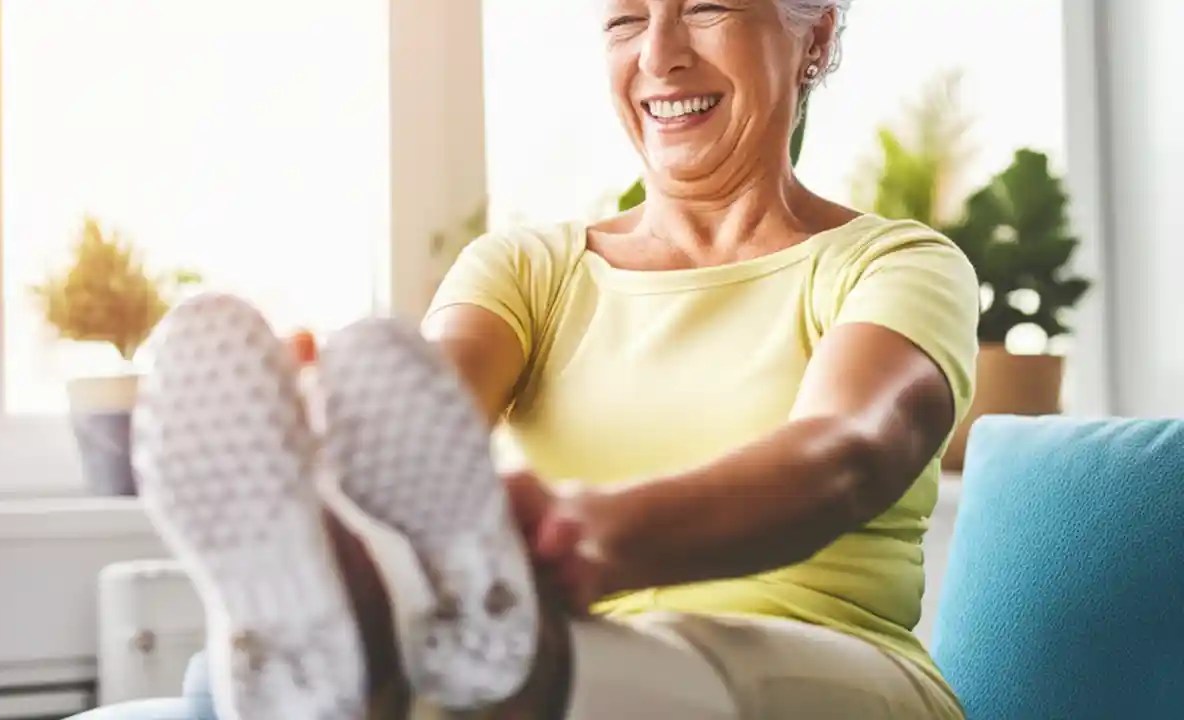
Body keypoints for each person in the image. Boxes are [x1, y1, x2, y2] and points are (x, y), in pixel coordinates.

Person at [72, 0, 978, 717]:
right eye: (624, 19)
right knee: (494, 672)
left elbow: (846, 453)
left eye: (706, 8)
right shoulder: (527, 268)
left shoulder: (892, 264)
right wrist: (330, 449)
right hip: (554, 654)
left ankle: (377, 649)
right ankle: (330, 605)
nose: (658, 56)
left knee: (547, 680)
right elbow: (425, 417)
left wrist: (594, 534)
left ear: (812, 37)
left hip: (834, 675)